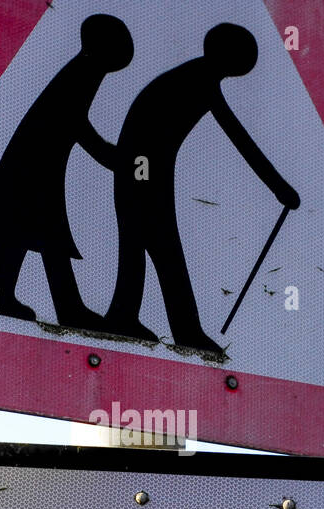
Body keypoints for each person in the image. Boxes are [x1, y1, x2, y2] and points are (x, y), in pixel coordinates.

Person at [104, 22, 299, 353]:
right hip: (143, 174)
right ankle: (178, 329)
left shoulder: (195, 76)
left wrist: (280, 188)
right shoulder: (200, 80)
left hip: (143, 173)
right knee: (162, 252)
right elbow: (241, 140)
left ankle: (129, 316)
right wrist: (279, 188)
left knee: (145, 247)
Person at [0, 14, 134, 328]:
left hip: (37, 162)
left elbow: (72, 122)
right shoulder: (85, 72)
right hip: (34, 165)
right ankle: (56, 305)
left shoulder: (85, 69)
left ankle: (53, 304)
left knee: (32, 234)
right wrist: (115, 160)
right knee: (36, 234)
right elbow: (75, 122)